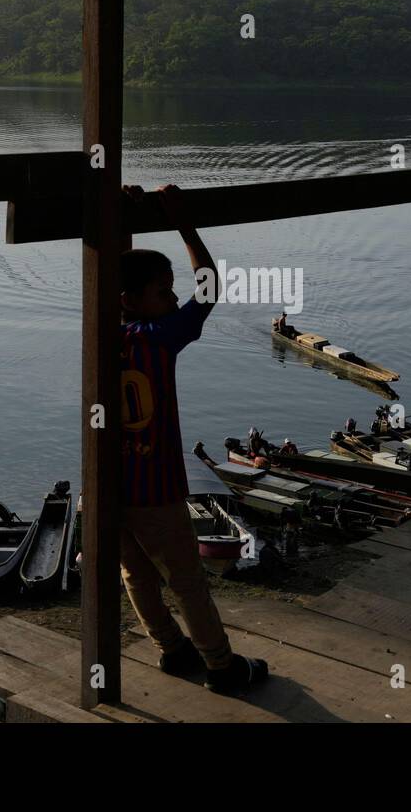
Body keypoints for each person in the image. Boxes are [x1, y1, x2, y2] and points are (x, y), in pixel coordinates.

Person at [119, 183, 269, 695]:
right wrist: (182, 221)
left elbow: (121, 274)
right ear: (135, 300)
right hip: (154, 486)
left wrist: (126, 216)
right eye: (164, 290)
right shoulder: (160, 339)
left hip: (104, 484)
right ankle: (222, 667)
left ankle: (170, 648)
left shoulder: (104, 328)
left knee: (136, 574)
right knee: (186, 581)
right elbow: (208, 288)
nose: (174, 296)